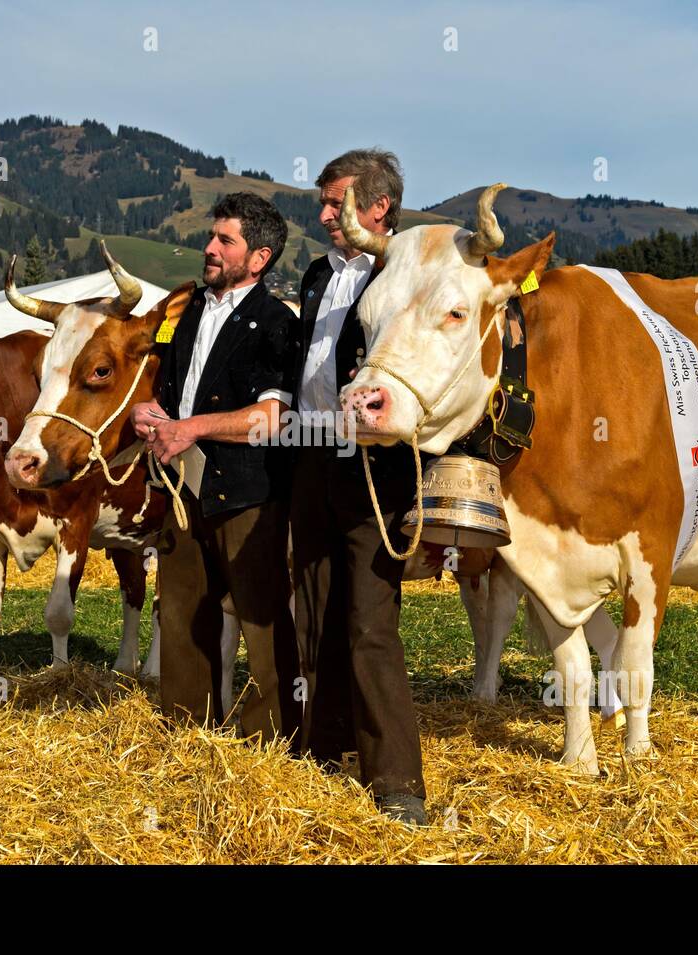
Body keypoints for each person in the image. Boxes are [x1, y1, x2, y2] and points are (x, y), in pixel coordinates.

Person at [130, 192, 302, 749]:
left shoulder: (277, 323)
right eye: (212, 235)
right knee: (180, 616)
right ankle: (188, 735)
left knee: (262, 621)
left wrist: (192, 428)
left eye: (225, 240)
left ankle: (268, 743)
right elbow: (175, 394)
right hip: (184, 490)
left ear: (259, 257)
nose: (209, 248)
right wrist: (153, 414)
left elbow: (273, 417)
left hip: (250, 494)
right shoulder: (192, 313)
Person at [288, 148, 428, 825]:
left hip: (375, 465)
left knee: (371, 621)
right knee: (313, 608)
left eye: (335, 201)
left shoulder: (402, 272)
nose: (321, 215)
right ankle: (325, 745)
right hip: (311, 456)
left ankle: (397, 779)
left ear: (378, 207)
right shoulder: (318, 275)